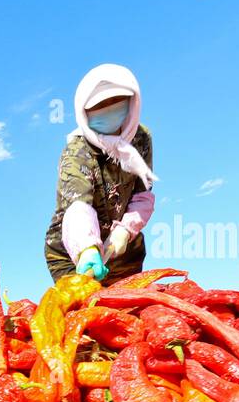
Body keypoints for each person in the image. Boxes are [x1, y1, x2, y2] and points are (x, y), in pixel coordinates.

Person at [44, 63, 157, 284]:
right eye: (100, 105)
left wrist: (126, 230)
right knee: (84, 312)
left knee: (125, 311)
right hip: (72, 252)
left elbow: (143, 194)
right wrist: (86, 248)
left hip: (123, 252)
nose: (109, 109)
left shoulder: (141, 139)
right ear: (84, 111)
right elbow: (78, 207)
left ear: (131, 102)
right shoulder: (76, 152)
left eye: (116, 101)